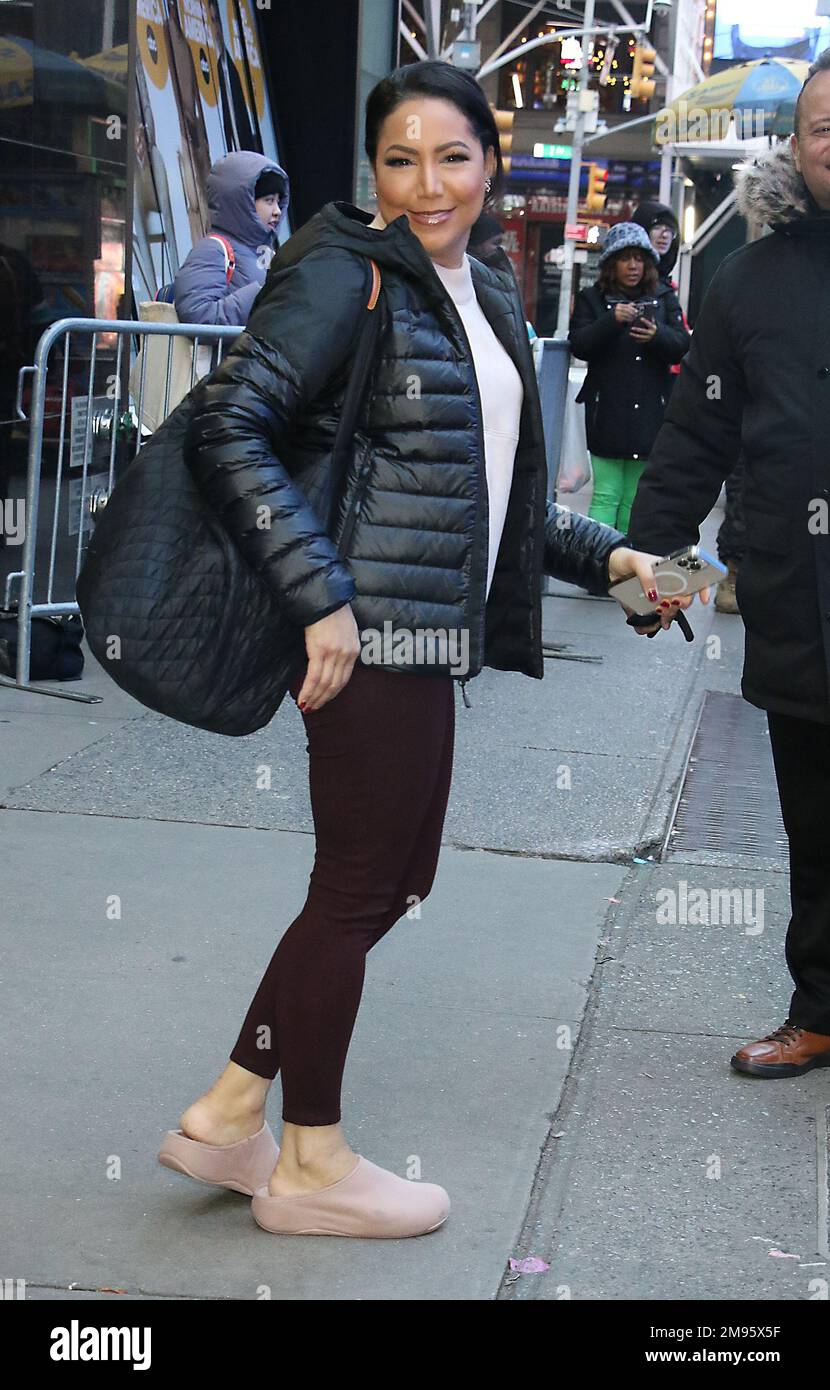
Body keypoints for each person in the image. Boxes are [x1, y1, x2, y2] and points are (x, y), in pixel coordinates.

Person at [157, 60, 700, 1241]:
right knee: (358, 889)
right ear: (372, 171)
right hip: (365, 638)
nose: (426, 183)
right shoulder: (345, 273)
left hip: (419, 631)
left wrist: (612, 559)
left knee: (389, 882)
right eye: (399, 160)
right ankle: (309, 1162)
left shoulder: (479, 289)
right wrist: (320, 599)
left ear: (491, 164)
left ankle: (227, 1108)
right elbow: (227, 429)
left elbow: (494, 498)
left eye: (451, 157)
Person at [627, 48, 830, 1080]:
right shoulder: (745, 277)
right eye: (822, 127)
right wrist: (651, 574)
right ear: (795, 148)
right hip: (801, 601)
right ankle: (819, 1005)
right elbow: (692, 439)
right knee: (814, 821)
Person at [632, 199, 744, 615]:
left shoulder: (669, 293)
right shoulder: (747, 276)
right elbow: (696, 440)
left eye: (668, 227)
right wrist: (658, 584)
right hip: (777, 577)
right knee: (612, 491)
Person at [569, 222, 690, 534]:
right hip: (606, 410)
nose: (633, 266)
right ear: (611, 263)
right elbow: (580, 344)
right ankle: (597, 567)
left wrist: (656, 335)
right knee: (607, 493)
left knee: (636, 497)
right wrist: (612, 319)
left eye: (639, 258)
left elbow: (682, 347)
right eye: (625, 258)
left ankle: (625, 570)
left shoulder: (663, 297)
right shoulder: (592, 299)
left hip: (651, 411)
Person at [173, 151, 289, 327]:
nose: (277, 211)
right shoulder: (212, 249)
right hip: (233, 354)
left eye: (278, 202)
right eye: (269, 200)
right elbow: (197, 315)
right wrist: (261, 295)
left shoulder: (268, 253)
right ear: (246, 202)